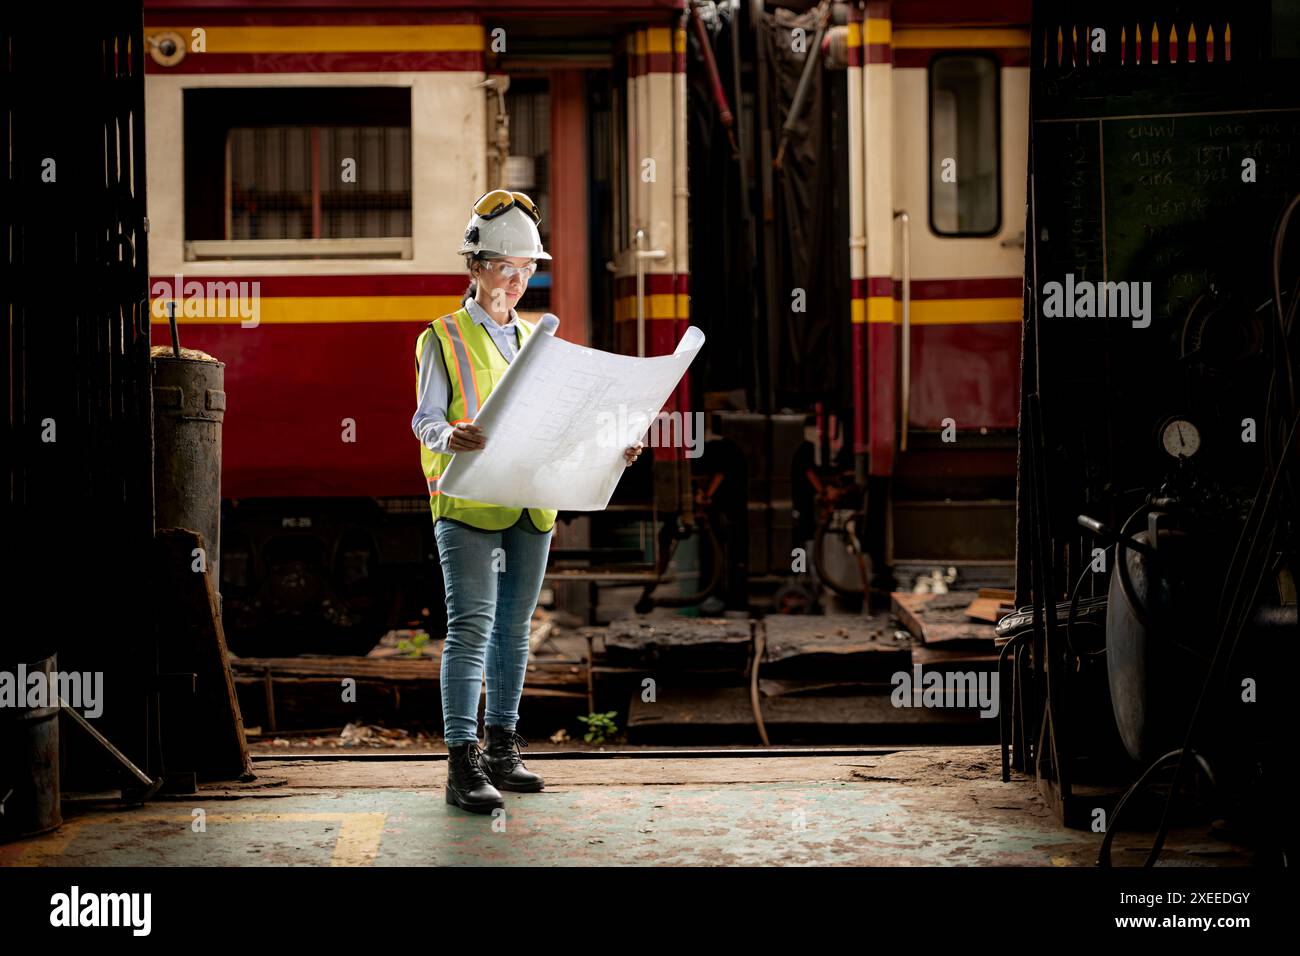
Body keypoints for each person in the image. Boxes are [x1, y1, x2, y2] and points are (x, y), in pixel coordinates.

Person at [412, 189, 644, 814]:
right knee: (470, 628)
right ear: (475, 266)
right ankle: (462, 764)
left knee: (513, 632)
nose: (515, 280)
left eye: (526, 269)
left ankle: (503, 748)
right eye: (503, 266)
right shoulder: (442, 337)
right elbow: (424, 419)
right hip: (468, 505)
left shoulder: (535, 340)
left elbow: (559, 427)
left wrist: (609, 449)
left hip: (530, 505)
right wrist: (448, 434)